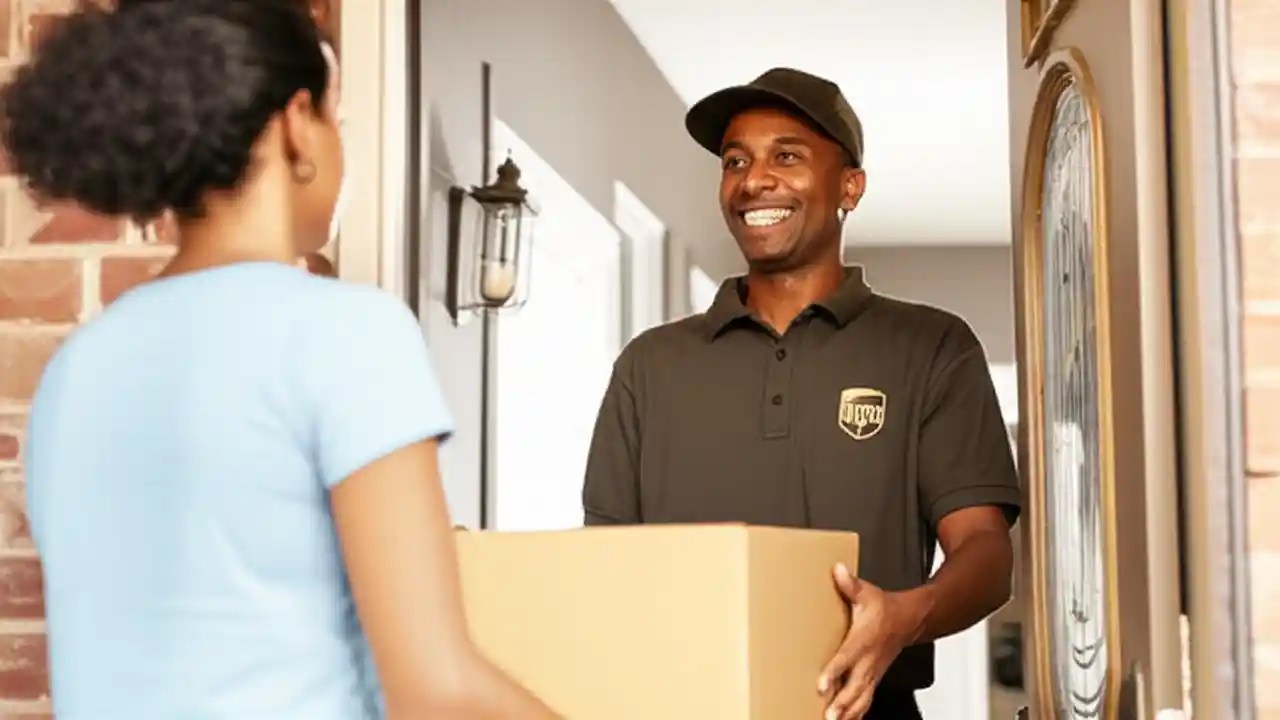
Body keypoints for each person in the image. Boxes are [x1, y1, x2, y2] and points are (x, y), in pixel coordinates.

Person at [4, 2, 557, 718]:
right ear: (298, 123)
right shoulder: (345, 332)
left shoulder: (77, 369)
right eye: (336, 118)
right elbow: (438, 690)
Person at [581, 67, 1021, 720]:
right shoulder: (648, 366)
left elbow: (985, 553)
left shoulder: (931, 346)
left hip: (866, 709)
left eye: (786, 156)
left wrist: (901, 616)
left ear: (850, 187)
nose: (753, 180)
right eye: (736, 161)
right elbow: (604, 570)